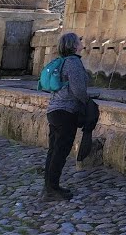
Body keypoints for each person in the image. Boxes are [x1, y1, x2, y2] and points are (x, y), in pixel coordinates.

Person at [43, 32, 92, 201]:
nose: (81, 42)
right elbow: (78, 89)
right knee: (61, 151)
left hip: (54, 110)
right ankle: (53, 188)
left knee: (53, 150)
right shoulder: (73, 63)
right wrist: (87, 102)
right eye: (79, 40)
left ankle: (48, 186)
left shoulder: (62, 61)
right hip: (66, 112)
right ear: (73, 45)